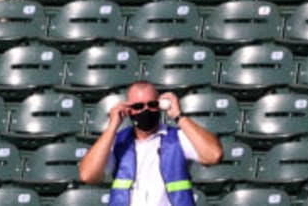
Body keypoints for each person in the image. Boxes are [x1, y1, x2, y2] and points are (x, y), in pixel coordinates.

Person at [78, 79, 225, 206]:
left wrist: (178, 116)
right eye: (138, 107)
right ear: (129, 110)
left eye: (152, 104)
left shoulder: (177, 138)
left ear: (160, 105)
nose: (146, 110)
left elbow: (213, 155)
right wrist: (112, 127)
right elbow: (88, 175)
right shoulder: (118, 142)